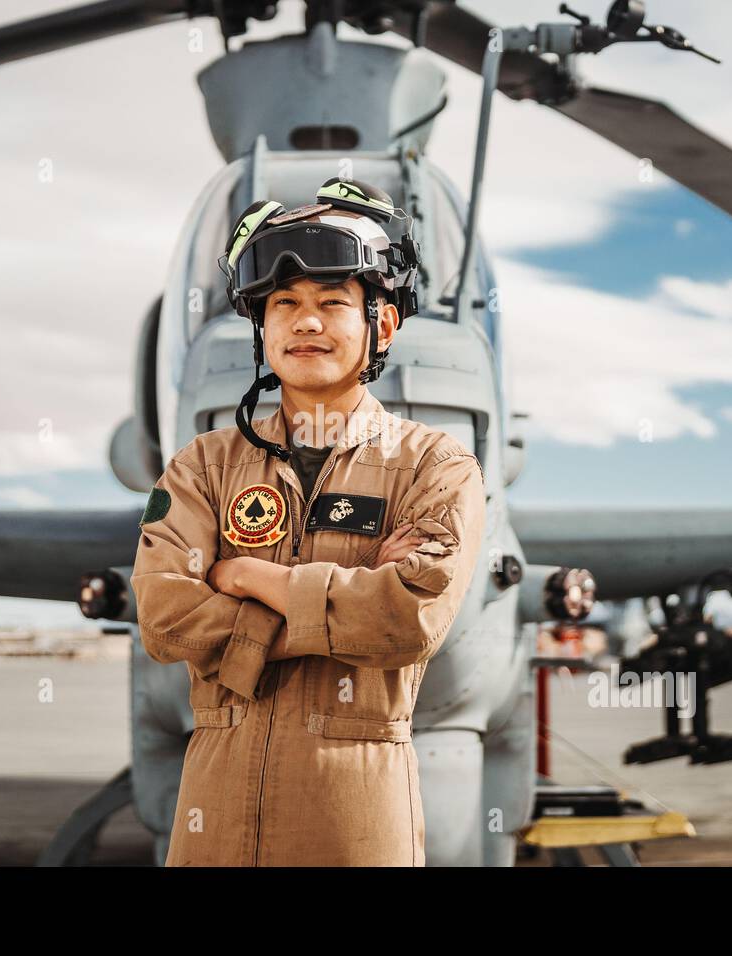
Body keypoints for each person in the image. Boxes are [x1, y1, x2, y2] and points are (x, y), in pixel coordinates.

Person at [130, 177, 487, 866]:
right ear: (262, 328)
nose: (307, 321)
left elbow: (407, 620)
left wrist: (245, 576)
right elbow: (166, 616)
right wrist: (341, 607)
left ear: (380, 325)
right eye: (284, 304)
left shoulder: (436, 467)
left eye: (332, 302)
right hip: (214, 821)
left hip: (353, 820)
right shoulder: (200, 467)